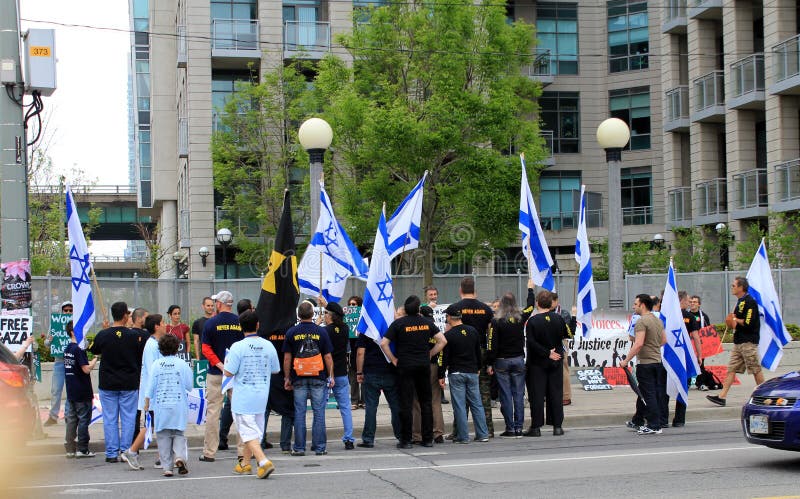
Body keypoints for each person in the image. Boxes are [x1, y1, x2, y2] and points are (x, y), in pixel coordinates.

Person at [381, 295, 446, 449]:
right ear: (418, 309)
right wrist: (430, 353)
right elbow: (442, 340)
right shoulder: (426, 323)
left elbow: (384, 343)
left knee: (406, 403)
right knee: (426, 402)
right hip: (423, 366)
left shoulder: (399, 323)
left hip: (405, 366)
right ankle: (428, 439)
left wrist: (393, 359)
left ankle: (406, 440)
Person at [224, 310, 280, 479]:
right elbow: (275, 369)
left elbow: (228, 372)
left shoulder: (237, 347)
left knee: (247, 432)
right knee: (253, 431)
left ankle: (263, 462)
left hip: (243, 397)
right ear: (258, 325)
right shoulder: (268, 345)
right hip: (261, 394)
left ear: (241, 327)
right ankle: (245, 464)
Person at [89, 302, 146, 462]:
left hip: (108, 382)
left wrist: (105, 330)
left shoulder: (104, 335)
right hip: (129, 382)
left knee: (110, 418)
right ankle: (125, 451)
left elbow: (93, 349)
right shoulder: (135, 336)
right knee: (128, 418)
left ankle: (111, 453)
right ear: (126, 315)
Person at [283, 301, 335, 456]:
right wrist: (331, 376)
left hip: (298, 378)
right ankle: (319, 447)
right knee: (319, 413)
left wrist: (287, 378)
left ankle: (299, 448)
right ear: (313, 314)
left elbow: (287, 358)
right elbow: (328, 357)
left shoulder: (292, 332)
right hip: (318, 377)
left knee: (300, 413)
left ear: (299, 315)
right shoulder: (321, 332)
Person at [199, 291, 244, 462]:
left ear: (219, 304)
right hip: (235, 374)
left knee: (212, 412)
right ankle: (243, 450)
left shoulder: (211, 323)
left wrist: (219, 365)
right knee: (239, 411)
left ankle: (210, 451)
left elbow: (206, 348)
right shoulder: (239, 322)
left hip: (216, 373)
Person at [707, 277, 763, 407]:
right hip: (739, 342)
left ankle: (763, 394)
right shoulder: (740, 302)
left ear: (741, 287)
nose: (732, 287)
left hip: (748, 341)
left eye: (734, 285)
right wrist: (732, 321)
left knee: (755, 368)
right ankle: (722, 396)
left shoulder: (750, 302)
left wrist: (735, 319)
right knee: (731, 369)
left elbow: (749, 323)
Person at [450, 277, 495, 437]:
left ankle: (458, 432)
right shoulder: (486, 309)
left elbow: (449, 333)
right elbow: (491, 335)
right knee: (483, 394)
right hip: (481, 352)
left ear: (460, 290)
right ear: (474, 290)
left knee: (460, 397)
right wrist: (490, 358)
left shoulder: (455, 308)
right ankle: (487, 430)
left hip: (460, 353)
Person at [487, 287, 534, 438]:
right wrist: (530, 290)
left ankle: (510, 428)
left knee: (506, 395)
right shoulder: (520, 318)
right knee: (519, 394)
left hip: (502, 361)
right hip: (518, 359)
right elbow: (531, 306)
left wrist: (489, 362)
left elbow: (491, 343)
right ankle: (519, 427)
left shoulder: (496, 321)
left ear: (501, 304)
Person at [144, 334, 193, 477]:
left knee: (163, 436)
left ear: (160, 348)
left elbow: (150, 386)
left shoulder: (156, 365)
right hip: (178, 405)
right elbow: (189, 386)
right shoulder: (182, 364)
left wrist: (147, 402)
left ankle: (167, 467)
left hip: (161, 405)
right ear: (177, 348)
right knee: (178, 433)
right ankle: (179, 457)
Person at [524, 291, 571, 437]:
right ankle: (557, 426)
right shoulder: (558, 318)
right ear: (551, 303)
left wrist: (546, 352)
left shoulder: (533, 321)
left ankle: (536, 426)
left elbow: (531, 342)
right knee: (555, 394)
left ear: (537, 303)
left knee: (537, 395)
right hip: (556, 361)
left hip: (537, 363)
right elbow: (567, 334)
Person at [123, 314, 166, 469]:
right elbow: (153, 371)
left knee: (159, 425)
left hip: (155, 394)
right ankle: (132, 451)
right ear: (156, 326)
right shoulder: (152, 346)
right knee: (151, 426)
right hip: (153, 395)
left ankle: (162, 457)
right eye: (162, 322)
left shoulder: (155, 344)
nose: (165, 325)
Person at [441, 304, 489, 444]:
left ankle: (463, 436)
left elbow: (445, 357)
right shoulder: (473, 331)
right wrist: (478, 367)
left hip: (456, 372)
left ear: (450, 317)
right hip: (472, 371)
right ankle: (482, 434)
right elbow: (477, 351)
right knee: (477, 404)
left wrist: (441, 374)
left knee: (460, 406)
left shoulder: (448, 335)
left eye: (447, 316)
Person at [620, 294, 666, 435]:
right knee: (644, 392)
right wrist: (652, 346)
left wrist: (626, 360)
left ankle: (654, 425)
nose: (634, 307)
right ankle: (638, 420)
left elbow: (638, 344)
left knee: (648, 395)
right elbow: (664, 340)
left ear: (643, 305)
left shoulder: (641, 321)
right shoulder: (657, 320)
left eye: (636, 304)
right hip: (657, 362)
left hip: (645, 363)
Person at [356, 322, 402, 448]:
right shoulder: (391, 327)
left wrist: (359, 371)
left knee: (371, 407)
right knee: (395, 406)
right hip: (390, 371)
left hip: (371, 372)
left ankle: (368, 439)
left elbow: (360, 353)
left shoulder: (366, 330)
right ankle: (402, 436)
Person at [320, 300, 355, 450]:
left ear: (332, 316)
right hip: (341, 373)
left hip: (326, 374)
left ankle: (320, 439)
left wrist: (317, 323)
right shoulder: (346, 328)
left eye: (326, 313)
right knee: (345, 408)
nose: (324, 315)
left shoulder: (325, 331)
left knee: (320, 408)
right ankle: (349, 438)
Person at [220, 298, 254, 451]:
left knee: (229, 405)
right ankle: (247, 443)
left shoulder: (235, 322)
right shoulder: (242, 326)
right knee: (240, 407)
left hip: (228, 367)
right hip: (240, 369)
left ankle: (223, 436)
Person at [411, 305, 446, 444]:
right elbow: (443, 344)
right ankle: (438, 433)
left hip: (419, 364)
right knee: (435, 401)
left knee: (417, 401)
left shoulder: (420, 326)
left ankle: (418, 434)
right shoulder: (434, 327)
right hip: (434, 365)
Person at [63, 320, 98, 458]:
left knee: (71, 420)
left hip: (71, 390)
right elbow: (86, 369)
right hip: (82, 391)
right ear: (73, 332)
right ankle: (82, 448)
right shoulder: (79, 349)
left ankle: (70, 448)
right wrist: (95, 359)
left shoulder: (68, 349)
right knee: (83, 419)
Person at [670, 291, 702, 428]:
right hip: (684, 355)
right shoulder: (689, 317)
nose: (689, 303)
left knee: (665, 385)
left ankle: (662, 418)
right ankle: (679, 419)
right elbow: (695, 337)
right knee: (683, 385)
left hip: (670, 355)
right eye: (688, 300)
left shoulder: (668, 315)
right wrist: (699, 355)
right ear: (682, 300)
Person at [44, 301, 74, 426]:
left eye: (70, 310)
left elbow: (85, 345)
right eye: (65, 310)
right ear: (62, 311)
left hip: (72, 361)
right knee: (56, 390)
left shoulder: (77, 325)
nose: (67, 312)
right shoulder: (55, 325)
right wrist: (49, 340)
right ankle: (53, 416)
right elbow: (46, 344)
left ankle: (68, 415)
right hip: (59, 362)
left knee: (70, 389)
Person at [551, 292, 575, 406]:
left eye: (551, 301)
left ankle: (565, 395)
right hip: (548, 342)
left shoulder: (563, 313)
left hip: (561, 342)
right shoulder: (545, 311)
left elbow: (568, 331)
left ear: (556, 301)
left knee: (563, 368)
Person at [346, 295, 364, 410]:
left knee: (364, 377)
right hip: (352, 352)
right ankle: (354, 400)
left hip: (362, 352)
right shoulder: (346, 320)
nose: (352, 307)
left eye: (354, 305)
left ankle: (364, 400)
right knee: (353, 378)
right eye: (350, 305)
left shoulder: (363, 320)